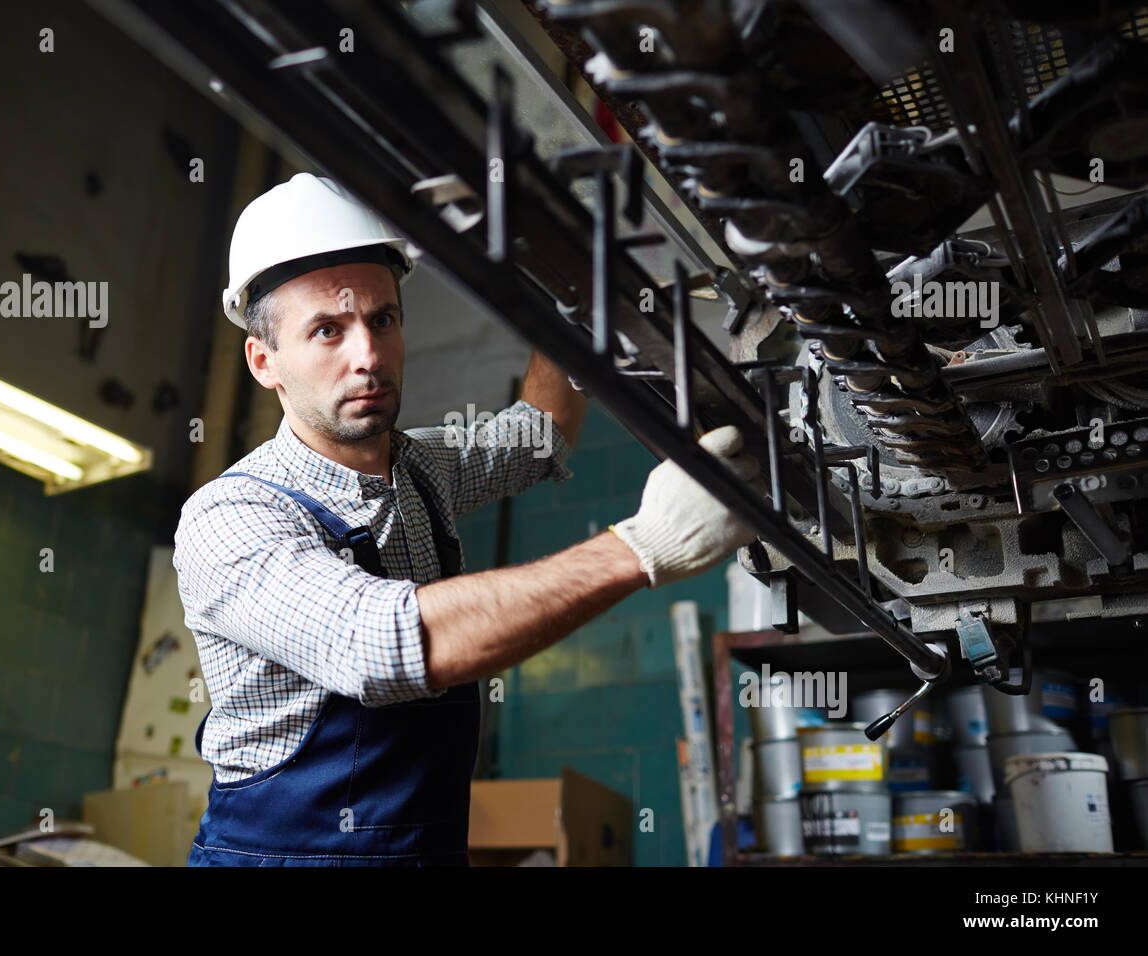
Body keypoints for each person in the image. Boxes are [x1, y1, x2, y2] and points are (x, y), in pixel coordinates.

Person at [174, 171, 758, 866]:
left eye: (381, 320)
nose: (367, 356)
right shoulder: (232, 517)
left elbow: (537, 432)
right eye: (327, 330)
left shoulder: (422, 468)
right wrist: (642, 547)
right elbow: (378, 644)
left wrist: (578, 315)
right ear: (264, 360)